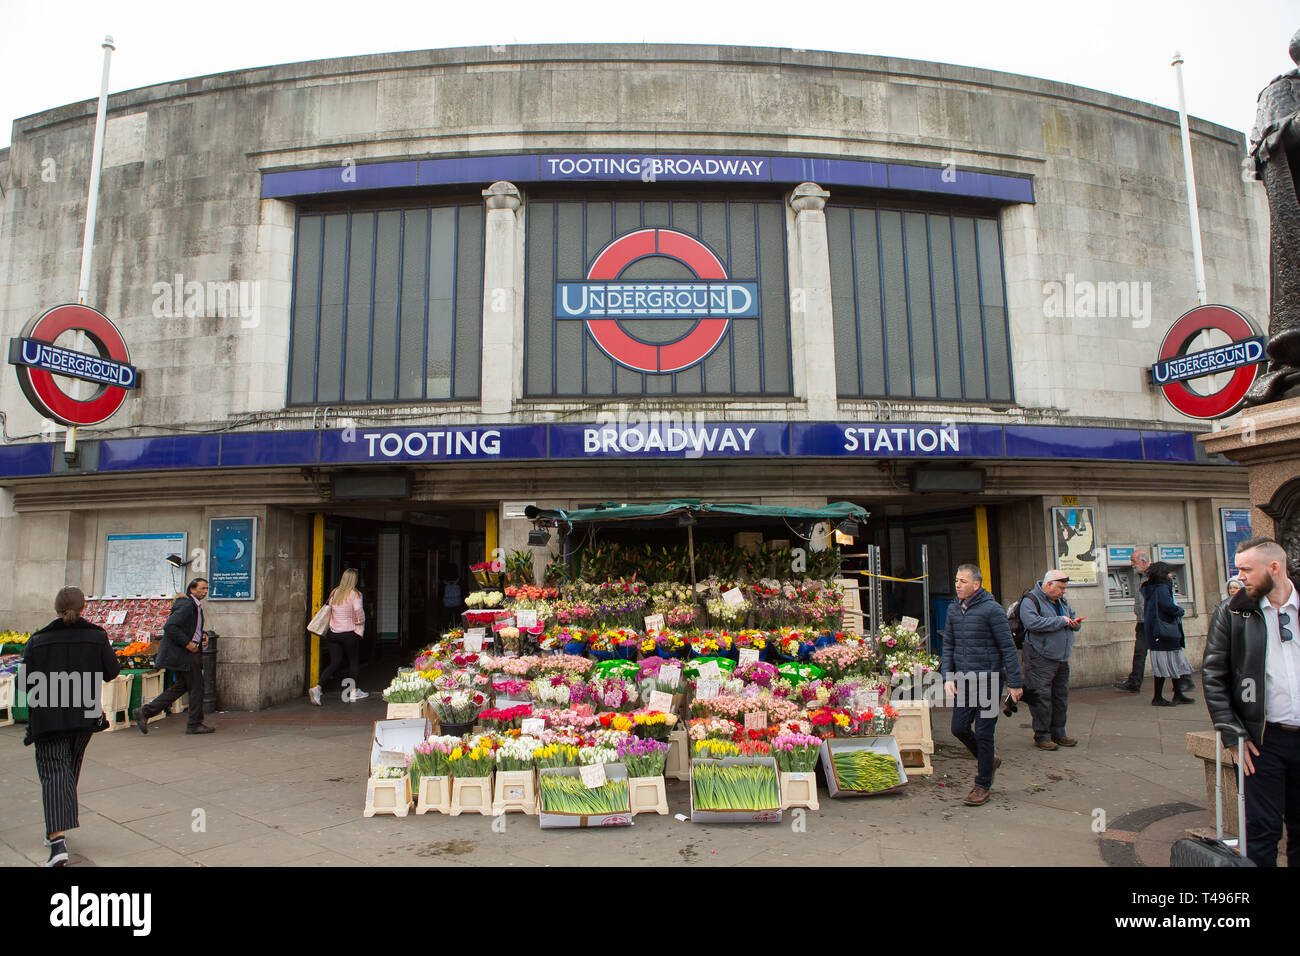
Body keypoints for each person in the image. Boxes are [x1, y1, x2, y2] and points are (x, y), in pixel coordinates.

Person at [1203, 536, 1300, 867]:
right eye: (1238, 569)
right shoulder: (1232, 613)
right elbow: (1214, 676)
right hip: (1263, 740)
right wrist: (1231, 732)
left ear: (1274, 567)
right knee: (1261, 830)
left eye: (1246, 569)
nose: (1239, 577)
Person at [21, 586, 120, 866]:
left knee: (54, 772)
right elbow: (112, 672)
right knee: (68, 769)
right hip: (84, 715)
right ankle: (56, 829)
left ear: (56, 609)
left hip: (48, 716)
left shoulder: (38, 640)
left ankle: (57, 843)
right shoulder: (97, 636)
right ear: (84, 607)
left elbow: (23, 682)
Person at [941, 564, 1024, 807]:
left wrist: (1015, 684)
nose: (958, 585)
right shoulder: (953, 609)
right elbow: (948, 645)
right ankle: (989, 760)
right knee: (958, 727)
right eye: (956, 580)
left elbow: (1008, 648)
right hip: (964, 681)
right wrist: (948, 676)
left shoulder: (992, 610)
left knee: (986, 732)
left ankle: (982, 784)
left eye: (963, 581)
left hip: (989, 680)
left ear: (976, 585)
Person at [138, 577, 214, 734]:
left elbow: (189, 627)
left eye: (207, 589)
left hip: (185, 652)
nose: (205, 592)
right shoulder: (187, 605)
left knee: (182, 686)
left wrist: (201, 635)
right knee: (197, 687)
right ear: (192, 589)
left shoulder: (194, 606)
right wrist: (188, 643)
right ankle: (194, 723)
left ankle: (145, 712)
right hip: (184, 653)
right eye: (202, 589)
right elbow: (171, 626)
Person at [1019, 569, 1083, 750]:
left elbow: (1070, 616)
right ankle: (1042, 734)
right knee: (1042, 697)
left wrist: (1075, 623)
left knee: (1060, 696)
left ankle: (1059, 732)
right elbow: (1032, 623)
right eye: (1061, 588)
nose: (1064, 591)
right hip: (1040, 656)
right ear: (1048, 585)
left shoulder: (1061, 600)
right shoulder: (1030, 600)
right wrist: (1061, 621)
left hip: (1061, 657)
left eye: (1065, 588)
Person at [308, 568, 367, 704]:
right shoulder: (355, 594)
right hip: (349, 634)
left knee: (334, 662)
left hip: (333, 634)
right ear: (354, 580)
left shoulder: (335, 592)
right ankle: (353, 691)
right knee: (353, 661)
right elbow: (358, 610)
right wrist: (360, 621)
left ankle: (318, 688)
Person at [1142, 562, 1196, 706]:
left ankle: (1178, 694)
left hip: (1156, 631)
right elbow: (1168, 607)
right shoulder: (1161, 588)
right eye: (1169, 572)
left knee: (1173, 662)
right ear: (1163, 574)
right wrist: (1180, 611)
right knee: (1167, 663)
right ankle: (1158, 697)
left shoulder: (1150, 588)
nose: (1171, 575)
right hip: (1164, 631)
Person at [1114, 549, 1152, 692]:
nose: (1132, 565)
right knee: (1139, 652)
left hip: (1154, 621)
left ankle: (1183, 678)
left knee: (1169, 651)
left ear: (1143, 561)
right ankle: (1134, 682)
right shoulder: (1137, 575)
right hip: (1142, 620)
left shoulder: (1155, 575)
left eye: (1133, 561)